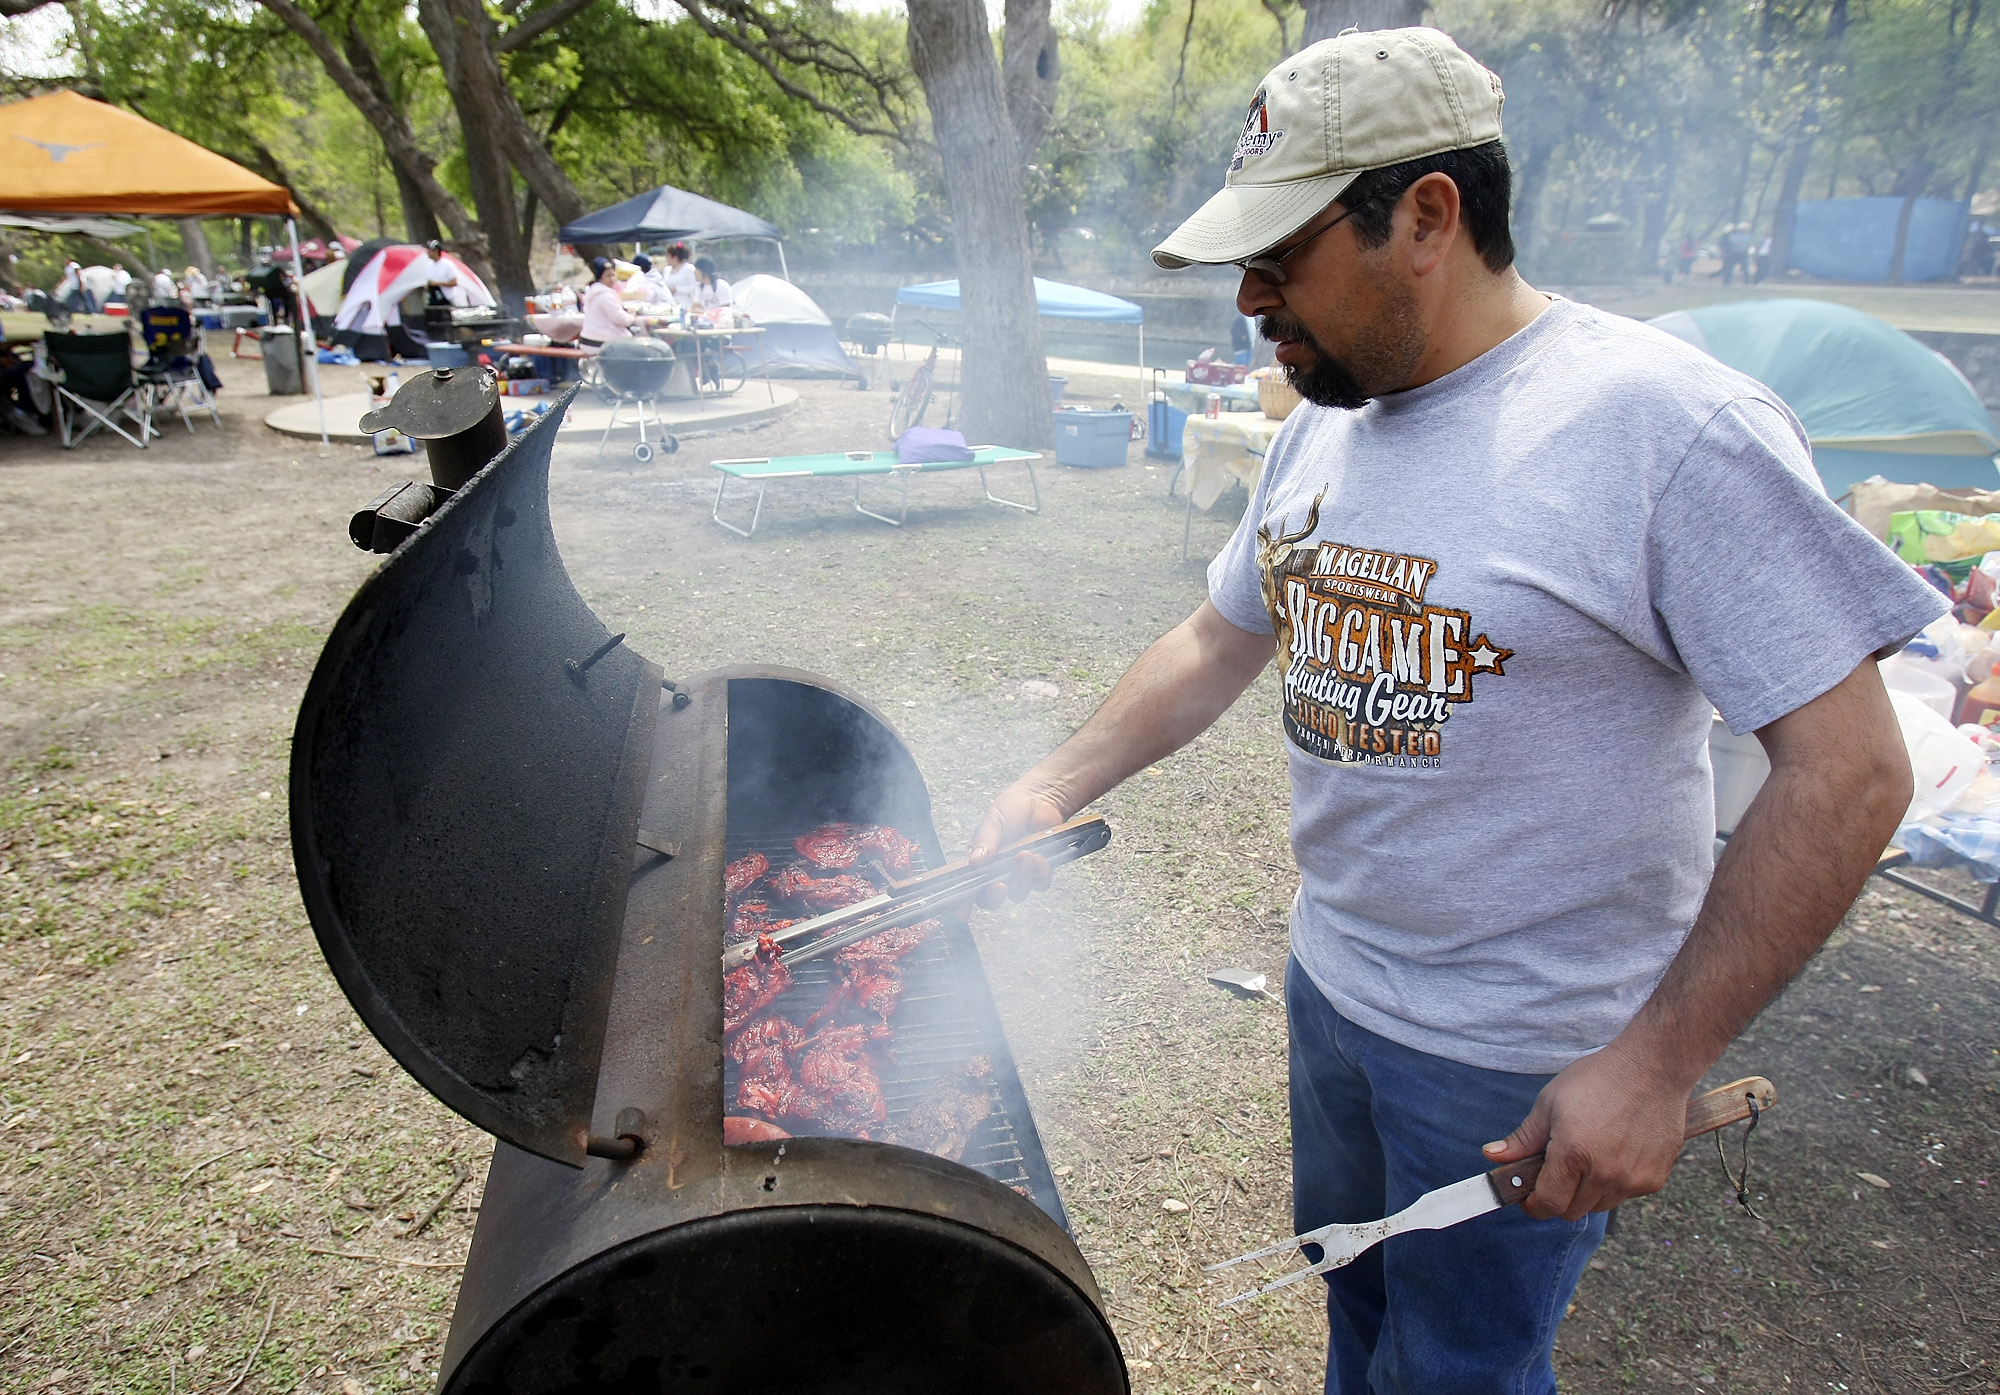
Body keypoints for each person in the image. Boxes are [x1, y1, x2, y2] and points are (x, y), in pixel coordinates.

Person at [966, 26, 1942, 1395]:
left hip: (1523, 1055)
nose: (1248, 295)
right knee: (1357, 1314)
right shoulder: (1327, 411)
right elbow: (1219, 630)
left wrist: (1658, 1062)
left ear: (1428, 215)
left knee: (1462, 1369)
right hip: (1336, 985)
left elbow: (1849, 773)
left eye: (1283, 252)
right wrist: (1055, 780)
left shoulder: (1666, 426)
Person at [578, 256, 635, 348]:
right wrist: (632, 315)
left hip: (587, 340)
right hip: (600, 343)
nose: (612, 279)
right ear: (600, 278)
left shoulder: (593, 292)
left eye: (613, 275)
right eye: (608, 276)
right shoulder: (605, 295)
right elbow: (621, 319)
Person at [663, 242, 700, 307]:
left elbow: (694, 287)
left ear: (675, 257)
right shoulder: (666, 270)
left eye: (668, 255)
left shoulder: (688, 269)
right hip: (670, 303)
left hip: (685, 303)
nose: (666, 258)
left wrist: (677, 289)